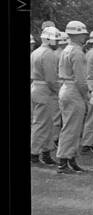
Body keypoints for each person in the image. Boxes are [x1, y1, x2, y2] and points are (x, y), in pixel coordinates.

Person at [55, 21, 91, 174]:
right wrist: (88, 96)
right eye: (83, 33)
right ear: (77, 34)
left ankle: (70, 160)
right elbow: (81, 79)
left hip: (67, 88)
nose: (84, 36)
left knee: (71, 127)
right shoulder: (76, 52)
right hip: (73, 90)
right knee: (72, 128)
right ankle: (64, 162)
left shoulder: (67, 49)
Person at [30, 25, 61, 166]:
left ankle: (45, 152)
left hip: (37, 87)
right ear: (49, 40)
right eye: (56, 41)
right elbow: (50, 78)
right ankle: (35, 153)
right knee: (42, 123)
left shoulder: (36, 52)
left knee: (45, 123)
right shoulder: (48, 54)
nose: (58, 43)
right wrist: (57, 90)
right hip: (45, 89)